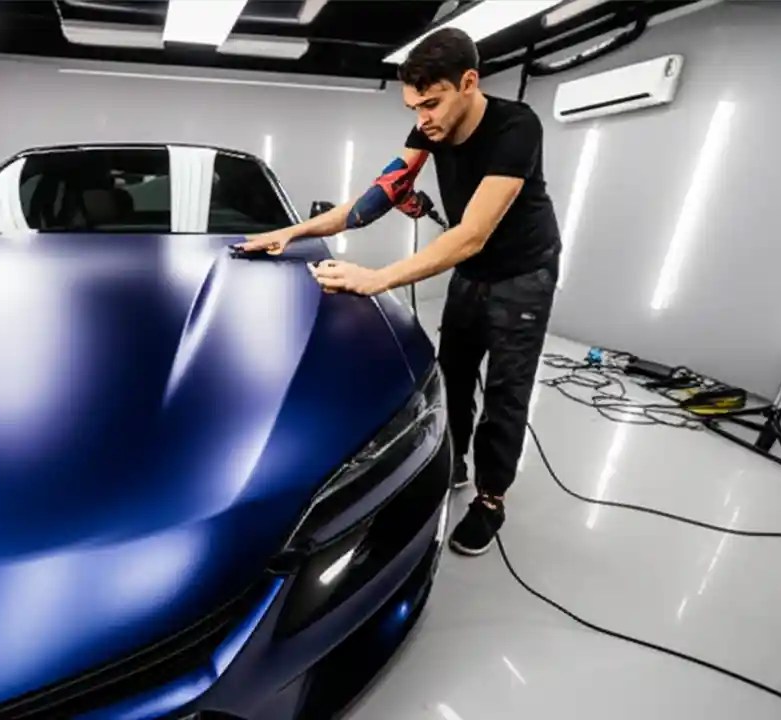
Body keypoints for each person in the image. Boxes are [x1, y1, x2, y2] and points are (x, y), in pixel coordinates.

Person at [235, 27, 561, 557]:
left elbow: (471, 232)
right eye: (413, 106)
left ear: (469, 82)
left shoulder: (515, 127)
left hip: (523, 274)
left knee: (506, 390)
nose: (422, 118)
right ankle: (453, 461)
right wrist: (290, 232)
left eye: (431, 103)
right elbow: (369, 203)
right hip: (473, 272)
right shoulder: (427, 132)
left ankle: (490, 499)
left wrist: (377, 278)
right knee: (453, 372)